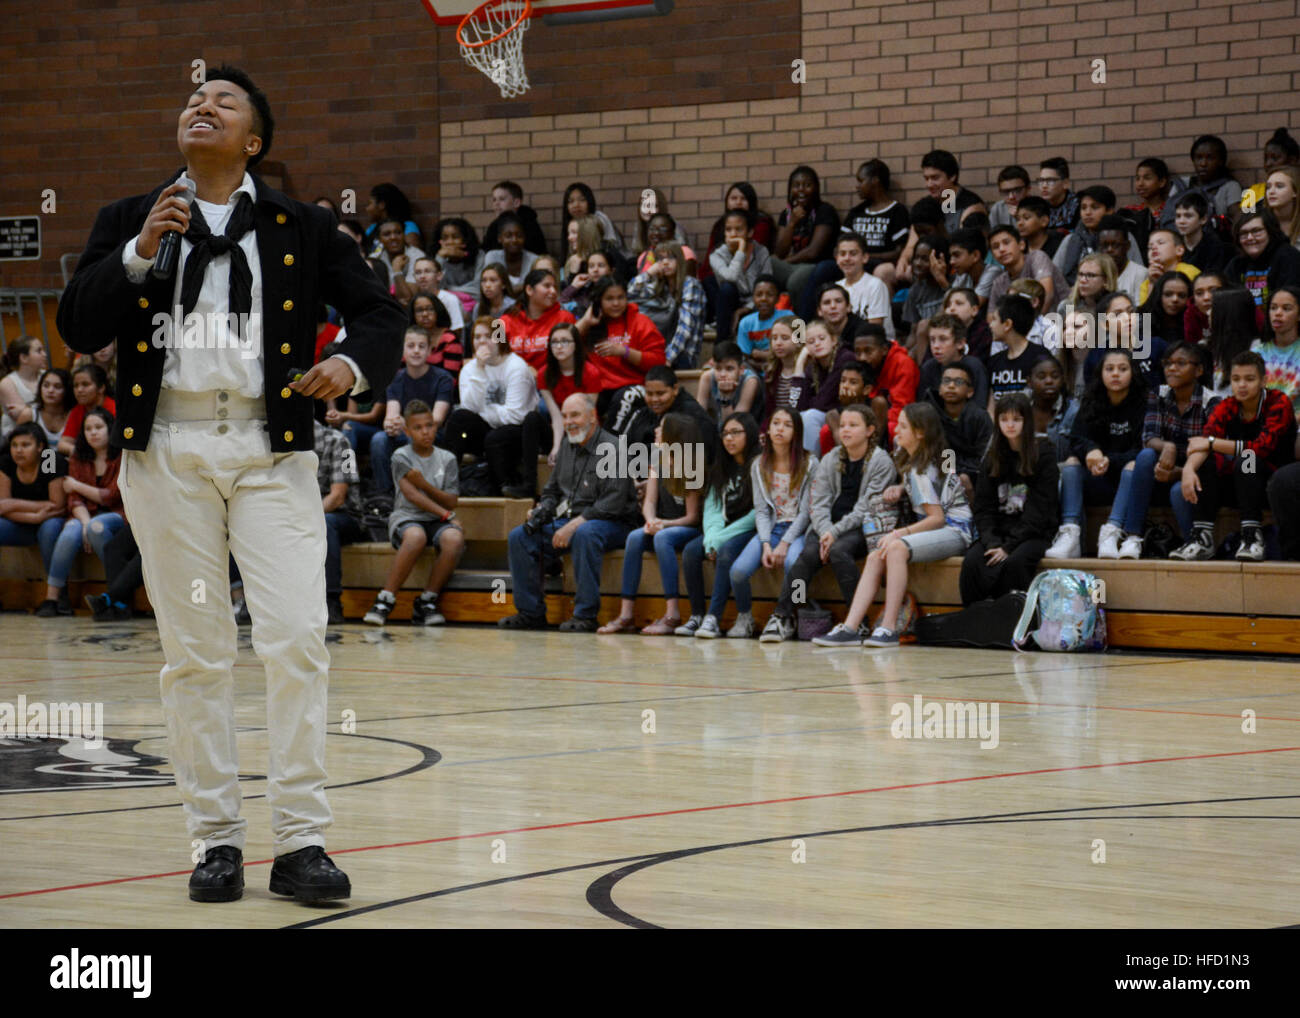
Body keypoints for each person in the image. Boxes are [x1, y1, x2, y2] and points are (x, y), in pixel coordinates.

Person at [58, 67, 406, 903]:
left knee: (295, 638)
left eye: (224, 101)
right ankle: (215, 840)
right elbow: (78, 323)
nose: (200, 104)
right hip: (166, 449)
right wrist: (141, 253)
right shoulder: (129, 218)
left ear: (255, 141)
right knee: (196, 656)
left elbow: (381, 314)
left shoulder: (302, 225)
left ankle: (301, 842)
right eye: (192, 98)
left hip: (269, 445)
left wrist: (349, 364)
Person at [813, 401, 974, 647]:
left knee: (895, 547)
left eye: (902, 427)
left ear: (920, 432)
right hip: (937, 528)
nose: (896, 431)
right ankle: (851, 627)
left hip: (955, 531)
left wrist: (900, 532)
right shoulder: (915, 462)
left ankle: (889, 628)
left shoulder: (923, 467)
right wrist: (900, 489)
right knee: (875, 555)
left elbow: (938, 518)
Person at [499, 393, 638, 631]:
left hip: (614, 522)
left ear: (592, 417)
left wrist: (575, 524)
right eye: (564, 416)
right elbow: (552, 490)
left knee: (585, 533)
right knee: (520, 537)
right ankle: (531, 612)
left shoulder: (614, 448)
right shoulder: (567, 445)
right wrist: (542, 509)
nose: (568, 422)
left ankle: (585, 614)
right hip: (571, 519)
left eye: (575, 415)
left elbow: (612, 503)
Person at [759, 405, 896, 643]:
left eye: (853, 425)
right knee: (806, 557)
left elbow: (866, 508)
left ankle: (858, 622)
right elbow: (818, 503)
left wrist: (833, 533)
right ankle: (784, 615)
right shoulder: (831, 458)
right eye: (842, 425)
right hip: (825, 529)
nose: (845, 430)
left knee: (840, 551)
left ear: (869, 430)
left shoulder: (881, 461)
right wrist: (825, 532)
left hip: (861, 527)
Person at [1170, 351, 1297, 560]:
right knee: (1206, 462)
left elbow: (1261, 447)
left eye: (1249, 379)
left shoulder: (1278, 402)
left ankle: (1252, 535)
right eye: (1236, 379)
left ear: (1264, 381)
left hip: (1274, 484)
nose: (1242, 385)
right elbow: (1202, 443)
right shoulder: (1227, 405)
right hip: (1239, 483)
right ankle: (1203, 538)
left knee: (1247, 458)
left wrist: (1212, 443)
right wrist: (1189, 469)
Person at [597, 412, 705, 635]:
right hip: (665, 524)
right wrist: (650, 520)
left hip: (690, 529)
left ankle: (672, 613)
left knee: (663, 538)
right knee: (635, 537)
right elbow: (650, 502)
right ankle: (626, 614)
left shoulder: (692, 464)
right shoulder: (657, 459)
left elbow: (693, 517)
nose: (656, 430)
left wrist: (662, 524)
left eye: (662, 428)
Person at [363, 399, 465, 625]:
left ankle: (427, 601)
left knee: (454, 538)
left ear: (436, 427)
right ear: (407, 431)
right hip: (407, 516)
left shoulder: (447, 458)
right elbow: (412, 496)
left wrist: (425, 484)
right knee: (416, 536)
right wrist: (447, 516)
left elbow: (452, 500)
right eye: (418, 428)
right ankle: (385, 599)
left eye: (429, 425)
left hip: (436, 519)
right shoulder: (401, 456)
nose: (425, 432)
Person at [1121, 342, 1220, 557]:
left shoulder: (1211, 402)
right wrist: (1168, 446)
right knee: (1146, 456)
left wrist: (1179, 471)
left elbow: (1210, 451)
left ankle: (1194, 543)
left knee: (1178, 491)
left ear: (1199, 370)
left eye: (1181, 363)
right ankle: (1133, 536)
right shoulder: (1158, 393)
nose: (1172, 368)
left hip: (1195, 475)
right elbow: (1148, 437)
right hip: (1160, 471)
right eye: (1168, 364)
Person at [1046, 349, 1147, 559]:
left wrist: (1109, 459)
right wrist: (1091, 450)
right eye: (1109, 369)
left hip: (1128, 481)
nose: (1116, 374)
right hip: (1097, 476)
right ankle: (1070, 532)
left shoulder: (1143, 403)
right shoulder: (1091, 400)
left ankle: (1112, 531)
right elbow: (1076, 439)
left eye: (1122, 369)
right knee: (1072, 461)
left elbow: (1143, 448)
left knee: (1135, 464)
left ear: (1133, 373)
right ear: (1101, 373)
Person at [959, 392, 1059, 603]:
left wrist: (1008, 547)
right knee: (972, 561)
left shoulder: (1044, 454)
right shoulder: (992, 458)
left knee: (1015, 562)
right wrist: (992, 542)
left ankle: (1014, 625)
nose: (1010, 425)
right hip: (998, 533)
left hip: (1034, 534)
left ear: (1027, 421)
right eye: (1004, 419)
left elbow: (1040, 510)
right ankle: (974, 622)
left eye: (1016, 419)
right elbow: (983, 508)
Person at [729, 408, 816, 636]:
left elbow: (807, 513)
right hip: (773, 529)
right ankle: (745, 616)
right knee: (738, 571)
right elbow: (761, 510)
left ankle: (790, 616)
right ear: (768, 430)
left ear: (796, 432)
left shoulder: (810, 464)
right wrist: (767, 544)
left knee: (792, 565)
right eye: (776, 423)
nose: (780, 429)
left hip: (799, 530)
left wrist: (785, 544)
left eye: (787, 425)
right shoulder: (759, 464)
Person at [677, 412, 760, 638]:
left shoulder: (760, 465)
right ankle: (696, 615)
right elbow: (712, 509)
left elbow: (759, 512)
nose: (729, 439)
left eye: (735, 433)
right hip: (723, 529)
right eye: (725, 434)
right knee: (691, 551)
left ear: (750, 433)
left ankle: (714, 617)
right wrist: (711, 536)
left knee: (726, 552)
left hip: (751, 529)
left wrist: (720, 539)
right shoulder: (721, 467)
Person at [42, 406, 127, 617]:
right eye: (88, 428)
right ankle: (52, 599)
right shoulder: (80, 456)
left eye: (99, 427)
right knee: (70, 531)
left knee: (98, 528)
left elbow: (113, 495)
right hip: (85, 513)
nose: (93, 432)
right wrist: (85, 522)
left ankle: (118, 597)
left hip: (118, 513)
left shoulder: (123, 455)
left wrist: (77, 486)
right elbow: (73, 499)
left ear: (110, 429)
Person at [442, 317, 538, 494]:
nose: (482, 342)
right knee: (458, 419)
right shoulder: (470, 369)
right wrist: (479, 368)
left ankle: (504, 485)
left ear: (500, 339)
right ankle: (448, 481)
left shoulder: (516, 367)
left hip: (516, 433)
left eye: (488, 336)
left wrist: (483, 412)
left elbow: (515, 416)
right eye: (477, 337)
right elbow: (468, 408)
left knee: (495, 437)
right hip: (486, 431)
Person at [372, 327, 455, 495]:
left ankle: (417, 493)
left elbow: (437, 419)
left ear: (430, 350)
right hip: (405, 431)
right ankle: (386, 495)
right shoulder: (395, 378)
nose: (416, 351)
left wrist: (407, 425)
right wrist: (391, 424)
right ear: (403, 350)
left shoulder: (443, 378)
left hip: (431, 433)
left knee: (415, 439)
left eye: (421, 346)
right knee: (379, 439)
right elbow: (391, 414)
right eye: (411, 346)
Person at [0, 422, 68, 610]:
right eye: (14, 445)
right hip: (23, 523)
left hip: (51, 520)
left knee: (50, 529)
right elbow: (2, 507)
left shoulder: (49, 459)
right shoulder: (6, 462)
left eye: (25, 445)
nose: (18, 451)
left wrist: (13, 504)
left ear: (40, 447)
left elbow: (57, 505)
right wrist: (34, 516)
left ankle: (58, 596)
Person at [771, 165, 840, 320]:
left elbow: (813, 252)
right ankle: (762, 324)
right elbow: (780, 251)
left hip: (816, 266)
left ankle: (799, 333)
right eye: (796, 186)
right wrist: (792, 223)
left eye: (807, 185)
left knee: (795, 282)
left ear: (816, 189)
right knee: (767, 263)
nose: (801, 190)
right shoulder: (787, 214)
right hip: (794, 265)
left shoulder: (825, 211)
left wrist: (787, 262)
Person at [629, 240, 706, 369]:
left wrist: (667, 358)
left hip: (683, 355)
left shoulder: (691, 285)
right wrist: (648, 273)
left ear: (680, 260)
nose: (665, 262)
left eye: (670, 258)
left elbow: (685, 329)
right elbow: (631, 292)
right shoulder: (659, 285)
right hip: (659, 352)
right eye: (660, 259)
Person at [926, 360, 993, 503]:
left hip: (974, 474)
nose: (951, 386)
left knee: (963, 479)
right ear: (939, 388)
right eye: (946, 381)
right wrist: (950, 471)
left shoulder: (979, 417)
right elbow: (937, 451)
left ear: (970, 392)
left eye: (958, 382)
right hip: (943, 468)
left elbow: (985, 456)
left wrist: (961, 472)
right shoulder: (932, 414)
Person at [1224, 208, 1300, 328]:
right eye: (1243, 233)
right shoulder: (1236, 265)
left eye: (1256, 231)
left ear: (1270, 232)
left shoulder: (1289, 257)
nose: (1249, 237)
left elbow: (1290, 304)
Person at [708, 207, 773, 345]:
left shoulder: (761, 251)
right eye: (728, 229)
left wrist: (746, 308)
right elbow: (730, 277)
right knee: (726, 288)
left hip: (757, 302)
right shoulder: (717, 255)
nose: (733, 234)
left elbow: (768, 284)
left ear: (750, 232)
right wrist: (741, 251)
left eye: (738, 229)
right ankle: (722, 345)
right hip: (730, 303)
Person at [840, 159, 909, 289]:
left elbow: (899, 251)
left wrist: (866, 256)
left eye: (861, 181)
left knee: (878, 271)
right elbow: (840, 245)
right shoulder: (856, 212)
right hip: (852, 262)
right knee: (824, 268)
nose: (857, 186)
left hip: (880, 263)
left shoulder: (897, 211)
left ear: (875, 181)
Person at [986, 294, 1055, 409]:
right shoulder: (994, 362)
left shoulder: (1040, 357)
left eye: (994, 319)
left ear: (1007, 324)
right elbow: (991, 405)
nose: (990, 325)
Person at [501, 267, 577, 371]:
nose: (553, 291)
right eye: (547, 286)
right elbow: (495, 356)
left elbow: (575, 357)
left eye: (555, 287)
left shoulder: (566, 318)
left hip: (552, 381)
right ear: (529, 290)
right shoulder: (503, 321)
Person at [857, 323, 920, 442]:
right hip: (870, 418)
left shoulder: (903, 364)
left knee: (893, 428)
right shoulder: (863, 366)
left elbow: (902, 409)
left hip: (899, 420)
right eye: (858, 352)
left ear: (884, 349)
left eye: (868, 351)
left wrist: (869, 418)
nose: (862, 358)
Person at [697, 341, 762, 427]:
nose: (723, 375)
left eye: (729, 369)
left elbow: (734, 424)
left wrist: (726, 398)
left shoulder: (750, 381)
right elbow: (698, 416)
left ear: (741, 369)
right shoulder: (707, 377)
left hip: (745, 431)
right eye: (718, 368)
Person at [57, 363, 116, 457]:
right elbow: (62, 444)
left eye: (85, 384)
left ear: (101, 388)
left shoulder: (114, 409)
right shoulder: (78, 410)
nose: (79, 390)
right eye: (76, 386)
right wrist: (83, 454)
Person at [762, 317, 812, 428]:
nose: (778, 343)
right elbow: (769, 410)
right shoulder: (772, 371)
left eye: (785, 338)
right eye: (774, 338)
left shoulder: (809, 370)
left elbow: (801, 406)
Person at [736, 275, 794, 366]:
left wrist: (762, 355)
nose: (764, 299)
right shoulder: (745, 323)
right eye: (759, 295)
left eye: (770, 295)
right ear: (753, 298)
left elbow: (798, 348)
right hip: (757, 370)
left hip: (784, 366)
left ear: (778, 298)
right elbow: (745, 357)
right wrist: (764, 366)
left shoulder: (789, 316)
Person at [482, 181, 548, 256]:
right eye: (494, 200)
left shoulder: (530, 226)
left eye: (502, 199)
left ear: (516, 203)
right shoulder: (493, 227)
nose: (496, 204)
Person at [0, 336, 48, 440]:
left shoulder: (47, 376)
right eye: (39, 351)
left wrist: (27, 410)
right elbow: (24, 419)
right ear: (24, 358)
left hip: (47, 435)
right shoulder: (7, 383)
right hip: (20, 440)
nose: (45, 354)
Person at [1138, 228, 1200, 306]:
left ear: (1179, 250)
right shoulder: (1146, 284)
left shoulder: (1189, 272)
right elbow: (1146, 317)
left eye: (1160, 243)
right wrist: (1152, 285)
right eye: (1150, 247)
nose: (1154, 248)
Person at [409, 291, 462, 381]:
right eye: (419, 310)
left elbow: (450, 380)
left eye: (430, 309)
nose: (425, 314)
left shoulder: (450, 340)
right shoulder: (409, 338)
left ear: (438, 311)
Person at [16, 368, 75, 448]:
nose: (50, 390)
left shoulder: (75, 414)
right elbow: (17, 444)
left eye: (57, 387)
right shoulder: (29, 415)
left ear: (67, 390)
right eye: (46, 385)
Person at [432, 216, 486, 301]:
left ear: (465, 240)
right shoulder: (437, 259)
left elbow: (479, 290)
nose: (450, 242)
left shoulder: (478, 256)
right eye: (445, 238)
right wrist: (440, 257)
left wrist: (447, 291)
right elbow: (434, 289)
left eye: (455, 237)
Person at [482, 213, 538, 291]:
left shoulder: (534, 260)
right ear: (499, 238)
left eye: (519, 235)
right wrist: (522, 287)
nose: (514, 240)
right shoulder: (492, 257)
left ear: (524, 238)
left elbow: (537, 288)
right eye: (508, 236)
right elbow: (488, 286)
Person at [364, 182, 421, 252]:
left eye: (370, 203)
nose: (367, 208)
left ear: (382, 205)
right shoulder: (371, 228)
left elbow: (413, 254)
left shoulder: (408, 226)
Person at [1037, 157, 1078, 233]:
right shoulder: (1039, 208)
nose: (1044, 186)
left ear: (1065, 183)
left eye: (1050, 181)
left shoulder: (1078, 206)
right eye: (1041, 180)